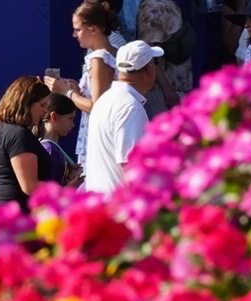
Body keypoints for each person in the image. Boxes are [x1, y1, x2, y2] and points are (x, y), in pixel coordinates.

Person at [45, 2, 118, 168]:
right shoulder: (111, 52)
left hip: (99, 134)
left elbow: (96, 107)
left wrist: (68, 92)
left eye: (78, 29)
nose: (74, 35)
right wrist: (77, 90)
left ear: (93, 29)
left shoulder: (99, 58)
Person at [85, 41, 160, 194]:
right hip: (118, 210)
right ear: (150, 71)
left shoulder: (105, 101)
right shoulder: (131, 107)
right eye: (155, 62)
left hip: (102, 207)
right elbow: (132, 167)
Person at [0, 77, 53, 214]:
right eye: (42, 105)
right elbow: (30, 186)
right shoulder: (19, 135)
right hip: (17, 219)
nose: (45, 111)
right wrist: (65, 190)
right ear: (26, 103)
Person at [137, 0, 194, 116]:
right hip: (163, 88)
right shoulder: (152, 8)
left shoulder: (164, 5)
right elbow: (148, 52)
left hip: (175, 86)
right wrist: (166, 88)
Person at [39, 93, 82, 187]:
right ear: (54, 116)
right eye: (70, 118)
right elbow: (49, 192)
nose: (73, 125)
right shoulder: (49, 149)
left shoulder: (52, 148)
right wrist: (71, 187)